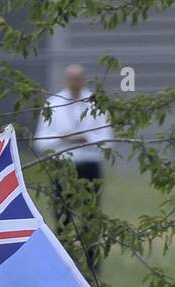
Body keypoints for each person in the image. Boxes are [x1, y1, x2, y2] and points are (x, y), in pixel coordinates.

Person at [33, 64, 112, 275]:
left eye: (78, 78)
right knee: (63, 218)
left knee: (90, 218)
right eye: (71, 78)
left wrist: (86, 139)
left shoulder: (95, 103)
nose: (75, 82)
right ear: (66, 80)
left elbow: (107, 140)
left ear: (83, 80)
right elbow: (40, 141)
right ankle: (65, 268)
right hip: (64, 167)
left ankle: (92, 267)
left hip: (89, 166)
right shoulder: (54, 103)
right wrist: (62, 138)